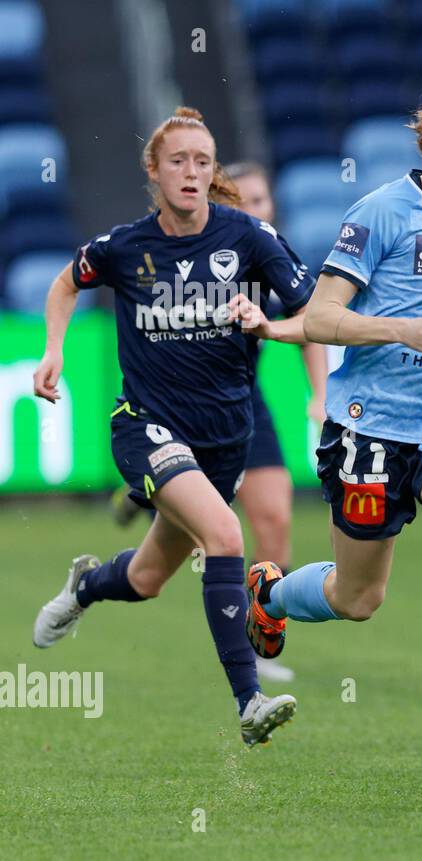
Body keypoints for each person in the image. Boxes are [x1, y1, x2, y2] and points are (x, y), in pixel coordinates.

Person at [242, 83, 422, 774]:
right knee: (358, 597)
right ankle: (271, 594)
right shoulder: (381, 213)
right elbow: (317, 318)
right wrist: (400, 328)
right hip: (370, 428)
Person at [30, 107, 315, 745]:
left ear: (213, 173)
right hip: (148, 426)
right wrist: (54, 350)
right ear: (154, 172)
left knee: (148, 578)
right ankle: (249, 701)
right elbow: (64, 283)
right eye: (178, 161)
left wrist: (271, 328)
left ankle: (86, 585)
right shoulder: (125, 247)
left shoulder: (250, 239)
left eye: (203, 161)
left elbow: (313, 316)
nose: (191, 171)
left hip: (224, 437)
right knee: (225, 533)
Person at [108, 162, 328, 684]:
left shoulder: (265, 252)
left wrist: (320, 396)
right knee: (203, 531)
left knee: (273, 520)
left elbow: (312, 324)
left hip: (244, 405)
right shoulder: (189, 250)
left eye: (261, 200)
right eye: (243, 200)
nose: (254, 210)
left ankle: (258, 631)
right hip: (173, 410)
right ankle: (145, 495)